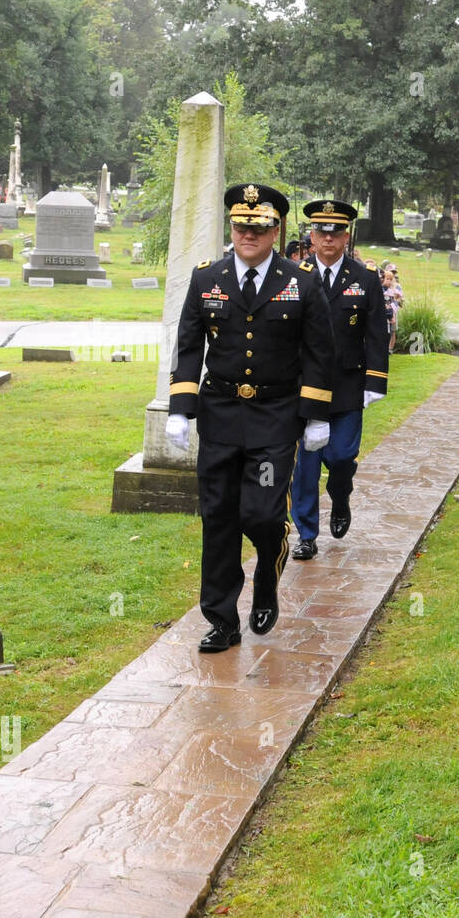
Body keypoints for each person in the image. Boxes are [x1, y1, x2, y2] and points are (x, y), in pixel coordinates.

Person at [165, 183, 337, 651]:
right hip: (220, 415)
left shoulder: (301, 282)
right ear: (232, 227)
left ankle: (267, 574)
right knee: (218, 518)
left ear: (276, 231)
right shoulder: (207, 279)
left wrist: (317, 415)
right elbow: (188, 346)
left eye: (258, 229)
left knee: (261, 514)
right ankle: (221, 620)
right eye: (241, 226)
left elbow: (319, 352)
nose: (248, 236)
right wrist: (181, 408)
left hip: (274, 418)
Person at [289, 198, 390, 561]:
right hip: (302, 387)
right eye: (321, 232)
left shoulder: (363, 279)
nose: (327, 240)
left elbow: (377, 331)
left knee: (342, 457)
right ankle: (305, 533)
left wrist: (375, 380)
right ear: (311, 237)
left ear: (346, 237)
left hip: (346, 385)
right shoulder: (293, 275)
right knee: (305, 465)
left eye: (335, 233)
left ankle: (341, 493)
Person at [381, 267, 404, 352]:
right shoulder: (380, 288)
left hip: (390, 315)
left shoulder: (395, 288)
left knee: (390, 332)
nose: (389, 281)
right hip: (381, 315)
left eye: (391, 279)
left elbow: (397, 300)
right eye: (388, 279)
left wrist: (393, 315)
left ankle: (389, 349)